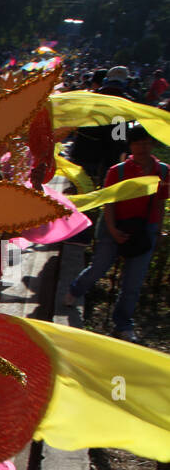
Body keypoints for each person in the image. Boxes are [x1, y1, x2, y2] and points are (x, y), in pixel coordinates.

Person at [65, 121, 168, 342]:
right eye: (138, 143)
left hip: (145, 228)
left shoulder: (164, 171)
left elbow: (160, 202)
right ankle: (75, 290)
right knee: (100, 266)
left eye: (146, 143)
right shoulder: (118, 171)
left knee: (133, 281)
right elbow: (108, 203)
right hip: (115, 224)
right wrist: (112, 229)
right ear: (130, 146)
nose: (142, 147)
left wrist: (158, 232)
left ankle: (123, 323)